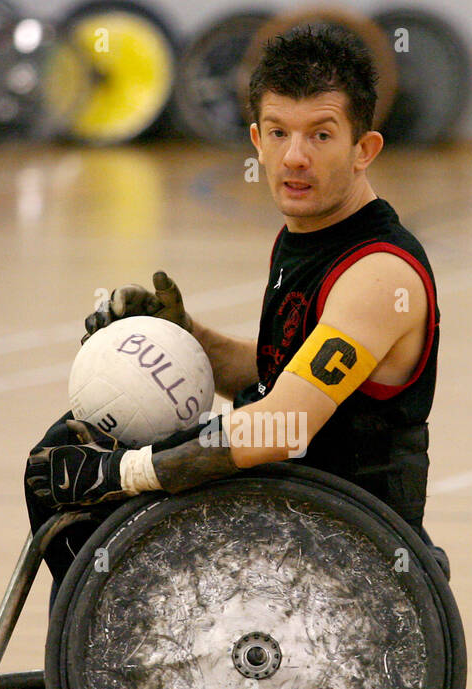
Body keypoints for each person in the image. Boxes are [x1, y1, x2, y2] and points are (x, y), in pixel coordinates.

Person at [25, 24, 447, 600]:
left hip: (343, 545)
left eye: (321, 136)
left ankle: (111, 664)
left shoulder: (377, 276)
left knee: (77, 475)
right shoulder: (307, 233)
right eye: (279, 133)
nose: (295, 157)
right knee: (73, 445)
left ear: (363, 149)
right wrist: (186, 335)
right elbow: (279, 372)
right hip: (290, 504)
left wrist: (127, 472)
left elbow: (284, 423)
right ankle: (101, 666)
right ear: (256, 138)